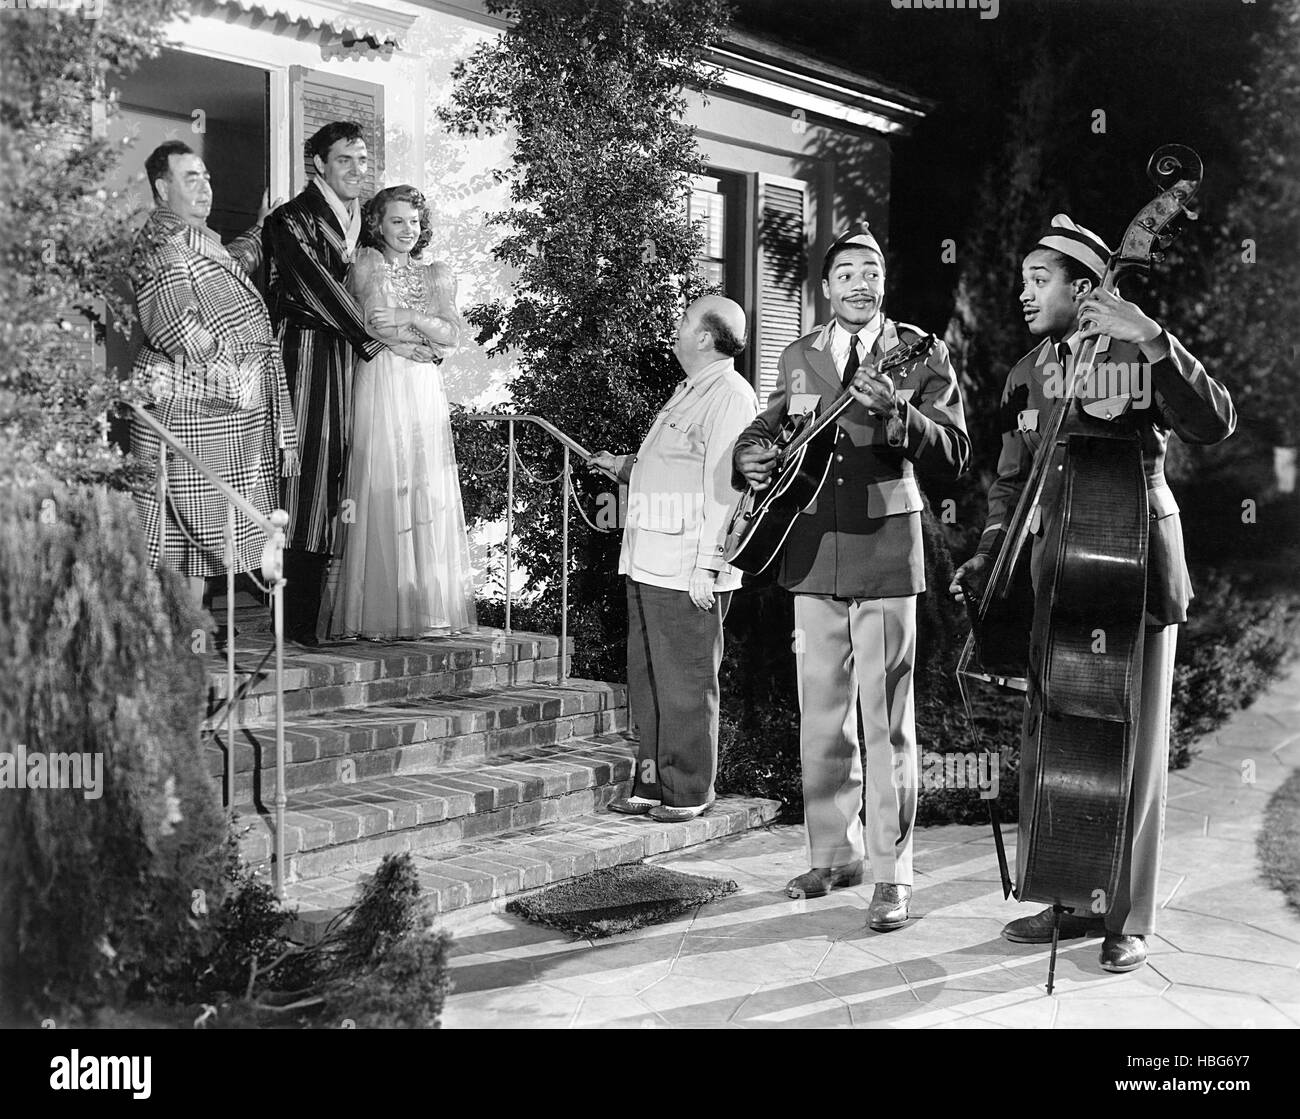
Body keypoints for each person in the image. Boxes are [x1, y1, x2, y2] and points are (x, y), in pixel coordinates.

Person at [950, 214, 1236, 973]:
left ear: (1085, 289)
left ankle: (1128, 915)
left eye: (1037, 281)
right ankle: (1073, 895)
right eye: (1021, 281)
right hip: (1060, 571)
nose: (1021, 293)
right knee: (1062, 738)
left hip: (1133, 566)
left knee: (1134, 747)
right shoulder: (1025, 373)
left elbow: (1214, 420)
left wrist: (1152, 336)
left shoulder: (1137, 356)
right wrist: (986, 557)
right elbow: (1008, 482)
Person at [733, 227, 970, 930]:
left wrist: (901, 416)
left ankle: (893, 875)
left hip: (888, 555)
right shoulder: (801, 354)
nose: (860, 285)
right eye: (846, 274)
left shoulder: (920, 352)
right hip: (810, 556)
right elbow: (768, 425)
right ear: (826, 287)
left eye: (872, 271)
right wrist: (748, 457)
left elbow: (955, 450)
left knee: (887, 724)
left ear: (884, 283)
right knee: (823, 718)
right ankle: (835, 853)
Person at [263, 121, 436, 644]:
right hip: (312, 358)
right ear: (318, 164)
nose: (357, 171)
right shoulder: (290, 220)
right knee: (310, 477)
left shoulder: (365, 223)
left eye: (363, 161)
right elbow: (319, 291)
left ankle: (345, 610)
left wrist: (415, 333)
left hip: (362, 366)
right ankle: (294, 622)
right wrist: (386, 342)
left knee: (351, 477)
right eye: (344, 160)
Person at [591, 296, 758, 823]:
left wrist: (709, 565)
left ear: (706, 337)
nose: (677, 327)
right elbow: (673, 467)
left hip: (687, 564)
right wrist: (624, 467)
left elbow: (726, 492)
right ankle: (651, 784)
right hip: (648, 557)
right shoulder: (690, 390)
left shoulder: (730, 395)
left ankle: (688, 791)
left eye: (686, 321)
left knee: (686, 683)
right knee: (649, 681)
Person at [128, 140, 297, 623]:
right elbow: (172, 323)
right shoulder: (162, 241)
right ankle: (171, 644)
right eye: (190, 179)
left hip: (212, 411)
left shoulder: (192, 238)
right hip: (189, 409)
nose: (204, 188)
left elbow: (232, 261)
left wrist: (262, 228)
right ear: (162, 188)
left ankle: (184, 640)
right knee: (180, 534)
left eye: (205, 177)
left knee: (197, 536)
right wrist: (232, 369)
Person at [322, 185, 477, 639]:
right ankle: (375, 612)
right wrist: (421, 336)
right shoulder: (368, 264)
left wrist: (409, 317)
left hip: (423, 386)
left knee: (425, 485)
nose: (407, 230)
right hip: (384, 377)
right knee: (381, 478)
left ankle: (424, 609)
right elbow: (372, 323)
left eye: (413, 221)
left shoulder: (438, 275)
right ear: (378, 224)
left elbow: (451, 335)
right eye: (396, 221)